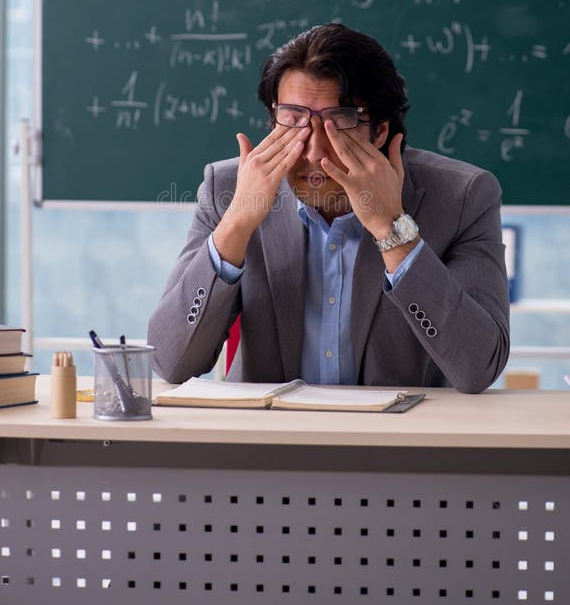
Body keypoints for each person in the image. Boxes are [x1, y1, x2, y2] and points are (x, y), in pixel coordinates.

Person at [149, 23, 509, 393]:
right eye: (294, 120)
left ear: (380, 131)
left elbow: (478, 368)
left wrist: (393, 229)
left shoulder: (464, 197)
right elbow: (171, 362)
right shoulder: (228, 188)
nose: (314, 151)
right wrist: (236, 225)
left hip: (399, 444)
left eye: (339, 123)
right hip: (270, 444)